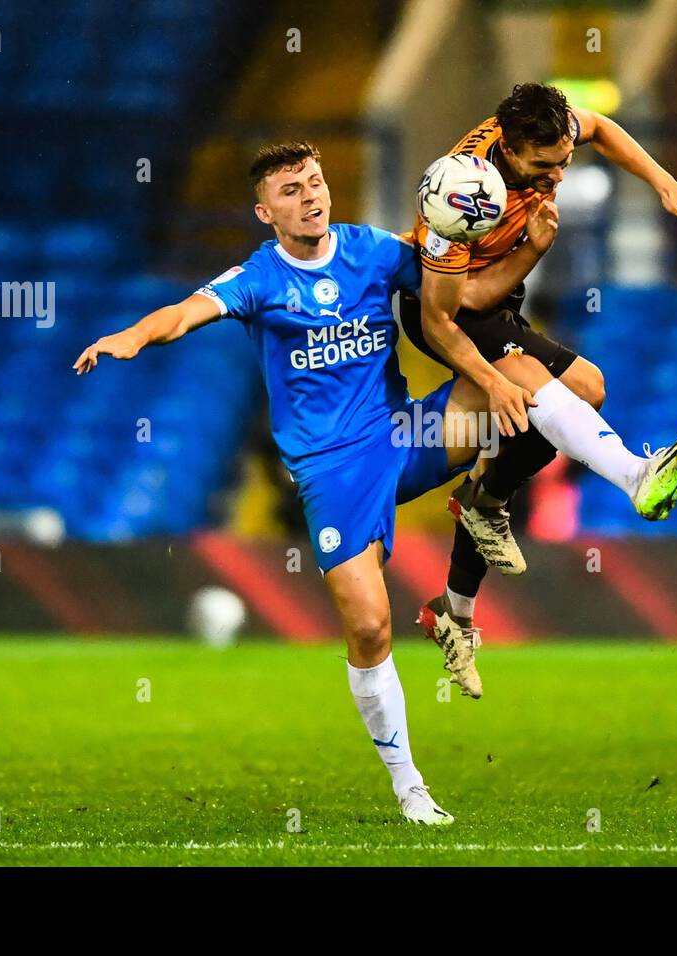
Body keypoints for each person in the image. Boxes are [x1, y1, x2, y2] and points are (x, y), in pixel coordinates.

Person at [74, 142, 502, 825]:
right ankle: (409, 787)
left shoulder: (376, 251)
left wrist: (508, 249)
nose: (311, 195)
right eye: (292, 188)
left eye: (316, 180)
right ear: (265, 211)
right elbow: (185, 311)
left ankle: (495, 508)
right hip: (332, 471)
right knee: (368, 626)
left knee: (509, 392)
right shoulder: (258, 277)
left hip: (401, 436)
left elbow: (456, 289)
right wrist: (133, 334)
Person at [404, 83, 677, 699]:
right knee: (526, 387)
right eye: (544, 166)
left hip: (500, 296)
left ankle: (457, 594)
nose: (559, 173)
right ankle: (637, 476)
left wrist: (663, 183)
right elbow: (456, 306)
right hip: (446, 309)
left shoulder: (550, 133)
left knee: (588, 388)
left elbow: (601, 128)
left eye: (564, 159)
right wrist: (532, 248)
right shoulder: (455, 198)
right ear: (508, 148)